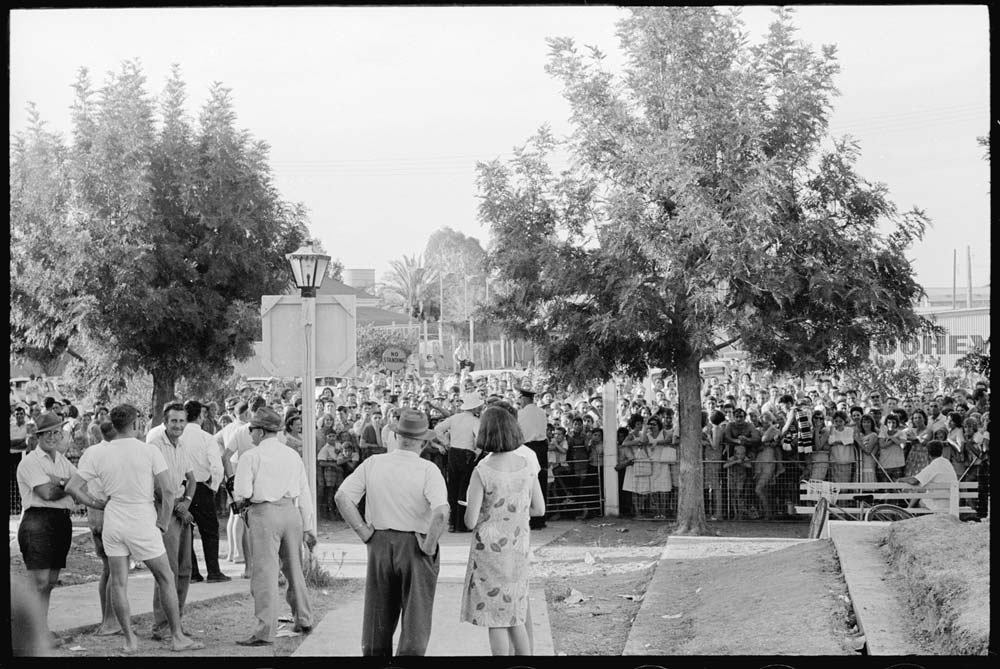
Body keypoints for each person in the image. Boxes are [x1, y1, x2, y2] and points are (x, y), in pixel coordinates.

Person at [66, 404, 203, 653]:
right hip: (141, 518)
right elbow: (170, 489)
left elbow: (72, 487)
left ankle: (129, 639)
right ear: (136, 423)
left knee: (118, 582)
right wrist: (162, 521)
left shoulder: (99, 453)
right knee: (165, 577)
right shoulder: (148, 450)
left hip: (114, 518)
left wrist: (96, 503)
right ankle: (177, 636)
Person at [335, 408, 449, 657]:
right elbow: (441, 513)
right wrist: (429, 546)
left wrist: (364, 532)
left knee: (377, 617)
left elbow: (342, 496)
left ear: (397, 436)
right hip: (415, 543)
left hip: (379, 540)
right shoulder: (428, 469)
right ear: (423, 441)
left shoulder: (374, 463)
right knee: (415, 620)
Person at [460, 406, 545, 655]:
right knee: (515, 615)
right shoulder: (526, 466)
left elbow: (470, 520)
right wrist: (513, 511)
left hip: (489, 555)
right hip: (518, 551)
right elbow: (539, 509)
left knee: (494, 619)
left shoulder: (482, 471)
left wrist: (487, 510)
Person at [232, 407, 315, 646]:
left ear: (259, 431)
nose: (250, 434)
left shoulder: (251, 456)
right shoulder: (292, 455)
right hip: (291, 512)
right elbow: (305, 491)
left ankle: (264, 630)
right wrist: (308, 525)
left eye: (251, 430)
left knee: (265, 573)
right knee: (294, 569)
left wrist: (241, 497)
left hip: (264, 513)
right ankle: (304, 617)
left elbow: (244, 492)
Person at [15, 411, 78, 647]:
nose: (53, 437)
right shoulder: (30, 462)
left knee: (50, 581)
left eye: (56, 432)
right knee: (38, 582)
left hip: (61, 521)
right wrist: (66, 484)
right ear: (39, 436)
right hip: (39, 521)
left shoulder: (61, 461)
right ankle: (28, 635)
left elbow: (81, 481)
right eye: (47, 433)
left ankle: (42, 631)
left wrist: (60, 481)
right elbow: (47, 493)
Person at [145, 402, 198, 640]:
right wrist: (176, 507)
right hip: (163, 509)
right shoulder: (155, 445)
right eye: (174, 420)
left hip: (180, 507)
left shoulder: (183, 445)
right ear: (165, 422)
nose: (178, 425)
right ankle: (161, 626)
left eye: (181, 421)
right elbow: (156, 485)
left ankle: (177, 621)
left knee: (185, 568)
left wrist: (186, 502)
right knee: (167, 569)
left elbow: (192, 479)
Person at [75, 419, 122, 636]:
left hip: (96, 516)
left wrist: (92, 506)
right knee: (116, 570)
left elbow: (80, 485)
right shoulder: (116, 453)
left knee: (108, 569)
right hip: (111, 514)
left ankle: (108, 618)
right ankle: (111, 620)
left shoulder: (90, 453)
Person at [182, 400, 229, 584]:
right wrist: (214, 486)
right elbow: (216, 467)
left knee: (186, 530)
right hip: (202, 486)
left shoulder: (177, 437)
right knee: (209, 530)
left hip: (182, 485)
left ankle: (192, 572)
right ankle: (213, 571)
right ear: (200, 416)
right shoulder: (206, 438)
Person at [435, 393, 483, 533]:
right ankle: (460, 523)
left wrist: (446, 442)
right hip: (467, 453)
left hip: (454, 452)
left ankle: (451, 522)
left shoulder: (454, 418)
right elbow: (479, 439)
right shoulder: (475, 421)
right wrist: (477, 452)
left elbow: (438, 429)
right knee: (464, 488)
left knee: (453, 487)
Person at [516, 382, 549, 530]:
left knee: (526, 483)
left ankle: (529, 518)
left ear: (524, 399)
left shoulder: (520, 414)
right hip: (541, 448)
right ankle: (540, 519)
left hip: (527, 447)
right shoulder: (542, 412)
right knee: (541, 483)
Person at [898, 440, 960, 514]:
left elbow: (914, 481)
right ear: (941, 451)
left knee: (920, 496)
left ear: (927, 453)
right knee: (921, 491)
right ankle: (908, 510)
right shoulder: (947, 463)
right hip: (951, 502)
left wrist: (901, 479)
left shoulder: (934, 465)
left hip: (939, 504)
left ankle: (908, 513)